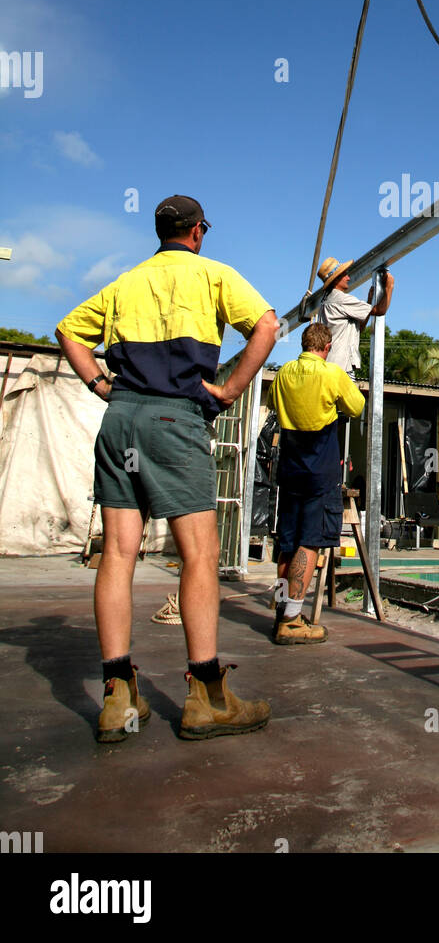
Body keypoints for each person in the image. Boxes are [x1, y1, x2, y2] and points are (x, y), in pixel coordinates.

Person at [56, 194, 277, 743]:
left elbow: (67, 331)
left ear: (159, 232)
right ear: (198, 231)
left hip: (121, 419)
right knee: (199, 555)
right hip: (175, 421)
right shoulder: (214, 275)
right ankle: (207, 697)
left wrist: (100, 385)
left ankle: (117, 698)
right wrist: (227, 390)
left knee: (118, 552)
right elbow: (268, 327)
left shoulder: (125, 282)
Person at [269, 322, 365, 645]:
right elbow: (357, 406)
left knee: (286, 543)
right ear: (326, 348)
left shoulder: (283, 374)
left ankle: (282, 610)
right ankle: (293, 620)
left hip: (290, 469)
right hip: (319, 472)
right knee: (309, 542)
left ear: (303, 344)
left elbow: (271, 404)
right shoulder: (331, 373)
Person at [317, 256, 394, 378]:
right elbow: (380, 310)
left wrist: (368, 303)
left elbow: (360, 329)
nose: (348, 278)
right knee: (351, 397)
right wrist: (389, 286)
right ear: (336, 279)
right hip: (342, 368)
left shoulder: (326, 301)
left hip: (331, 365)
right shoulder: (341, 299)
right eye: (345, 275)